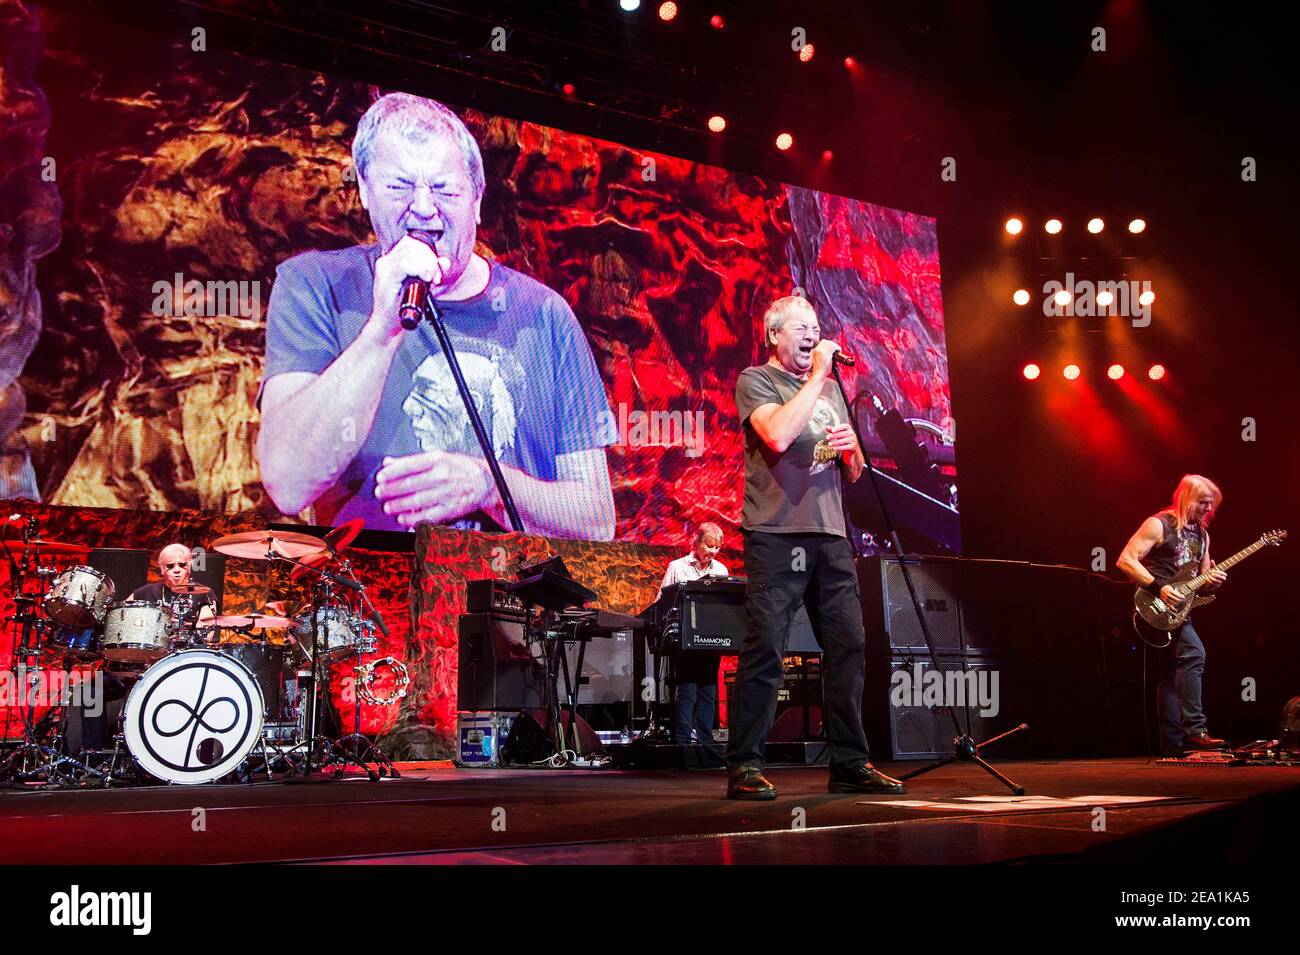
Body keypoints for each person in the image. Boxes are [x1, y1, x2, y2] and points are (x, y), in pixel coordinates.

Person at [257, 92, 616, 539]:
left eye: (445, 189)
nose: (424, 207)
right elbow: (288, 486)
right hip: (369, 598)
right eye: (399, 187)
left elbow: (596, 521)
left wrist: (490, 485)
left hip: (505, 599)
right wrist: (382, 329)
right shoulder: (315, 285)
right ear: (366, 192)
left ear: (478, 200)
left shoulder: (543, 315)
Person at [725, 295, 905, 799]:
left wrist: (850, 453)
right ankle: (744, 765)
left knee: (848, 646)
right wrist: (818, 376)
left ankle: (849, 761)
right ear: (774, 336)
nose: (812, 335)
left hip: (831, 535)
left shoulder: (827, 392)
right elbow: (779, 437)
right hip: (777, 535)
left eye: (817, 327)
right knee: (767, 648)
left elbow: (846, 471)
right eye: (802, 327)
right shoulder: (756, 380)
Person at [1117, 474, 1228, 755]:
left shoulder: (1202, 534)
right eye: (1203, 503)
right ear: (1187, 498)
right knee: (1194, 654)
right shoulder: (1159, 524)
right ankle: (1196, 731)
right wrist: (1159, 588)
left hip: (1180, 610)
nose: (1208, 509)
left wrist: (1211, 580)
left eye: (1211, 504)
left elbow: (1201, 581)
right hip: (1154, 605)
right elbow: (1126, 560)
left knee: (1169, 674)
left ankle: (1172, 745)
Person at [660, 522, 727, 744]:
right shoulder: (677, 567)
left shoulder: (721, 570)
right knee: (687, 691)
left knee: (708, 692)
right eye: (709, 546)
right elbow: (661, 603)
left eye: (717, 547)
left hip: (712, 640)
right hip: (685, 641)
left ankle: (705, 741)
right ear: (696, 542)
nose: (713, 551)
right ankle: (683, 741)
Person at [130, 543, 216, 630]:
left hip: (186, 642)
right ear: (162, 569)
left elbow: (208, 633)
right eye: (170, 566)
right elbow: (121, 616)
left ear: (189, 567)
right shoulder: (146, 591)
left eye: (182, 565)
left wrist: (181, 625)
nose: (177, 570)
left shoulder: (203, 593)